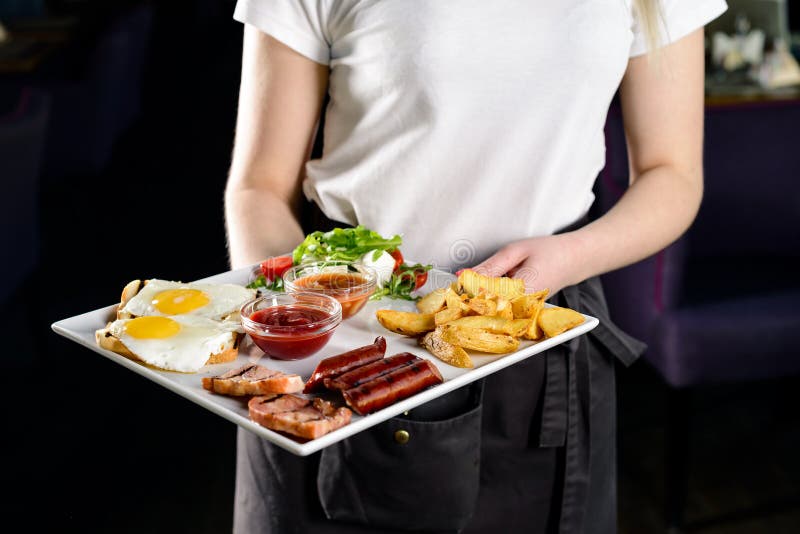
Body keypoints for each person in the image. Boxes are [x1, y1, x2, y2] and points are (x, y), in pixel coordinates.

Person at [223, 1, 728, 532]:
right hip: (339, 340)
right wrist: (298, 323)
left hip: (532, 341)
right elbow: (260, 186)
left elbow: (671, 173)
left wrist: (575, 256)